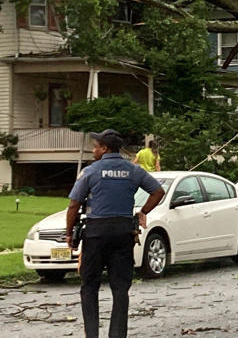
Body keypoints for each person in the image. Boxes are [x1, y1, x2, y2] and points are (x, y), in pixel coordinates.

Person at [66, 129, 165, 338]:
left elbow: (74, 204)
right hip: (122, 233)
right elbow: (158, 191)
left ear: (104, 149)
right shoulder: (133, 170)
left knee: (89, 285)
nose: (93, 150)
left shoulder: (91, 171)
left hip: (95, 233)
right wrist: (143, 212)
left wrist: (69, 234)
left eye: (96, 146)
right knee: (120, 288)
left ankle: (92, 334)